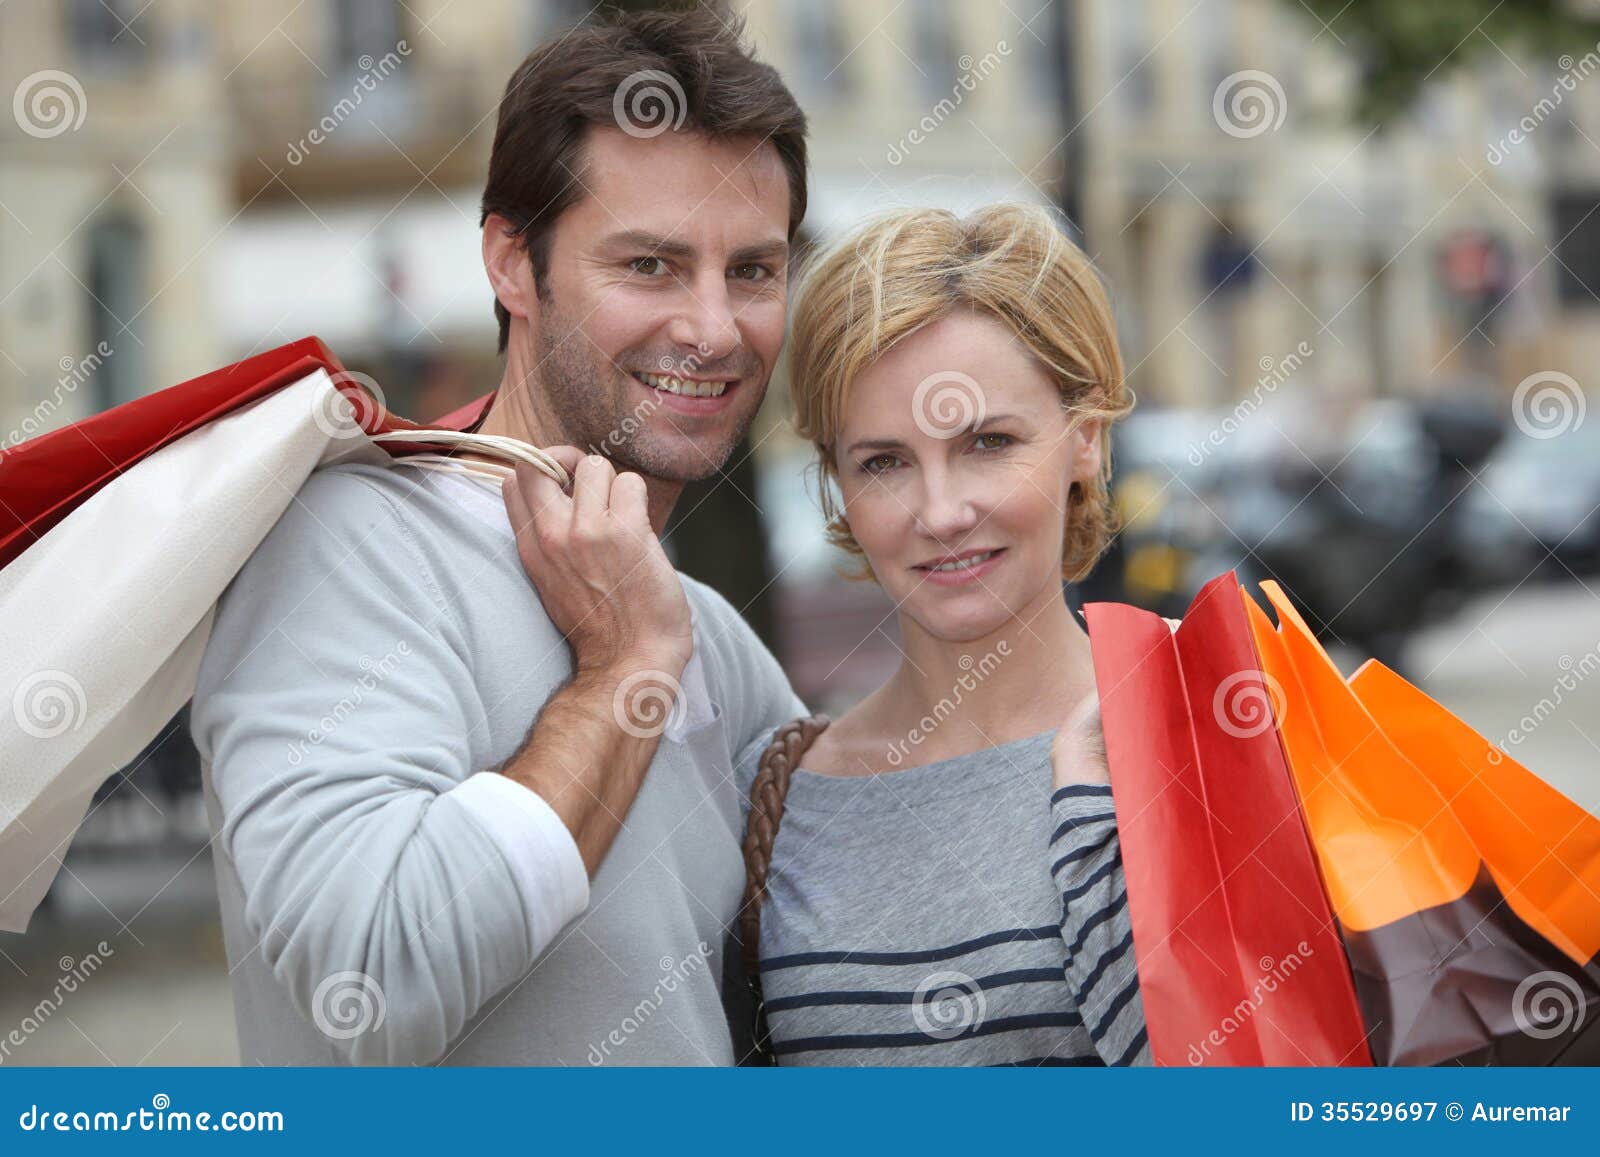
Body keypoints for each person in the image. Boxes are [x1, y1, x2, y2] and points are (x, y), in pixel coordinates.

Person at [189, 8, 810, 1065]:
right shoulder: (347, 544)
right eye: (651, 265)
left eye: (752, 270)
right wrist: (620, 670)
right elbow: (369, 982)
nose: (714, 327)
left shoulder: (700, 624)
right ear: (512, 264)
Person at [734, 203, 1152, 1065]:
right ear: (837, 485)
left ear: (1085, 442)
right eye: (883, 461)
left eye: (989, 443)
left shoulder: (1202, 734)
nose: (941, 512)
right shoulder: (780, 795)